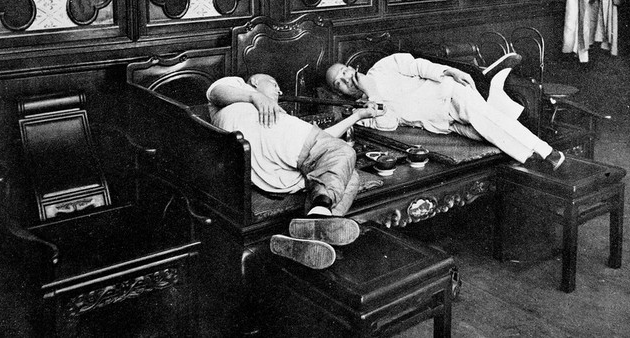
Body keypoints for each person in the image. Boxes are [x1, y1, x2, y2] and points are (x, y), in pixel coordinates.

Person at [206, 73, 384, 269]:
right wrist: (255, 96)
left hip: (272, 172)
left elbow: (323, 140)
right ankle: (319, 213)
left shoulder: (279, 115)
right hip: (267, 159)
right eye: (274, 83)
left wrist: (357, 116)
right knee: (344, 151)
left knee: (349, 176)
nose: (279, 90)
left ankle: (311, 237)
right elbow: (216, 92)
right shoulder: (239, 87)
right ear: (255, 81)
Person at [325, 52, 566, 171]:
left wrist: (450, 71)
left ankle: (547, 153)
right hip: (443, 124)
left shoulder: (382, 68)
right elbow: (389, 124)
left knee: (488, 120)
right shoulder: (364, 110)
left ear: (352, 67)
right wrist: (372, 101)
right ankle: (529, 152)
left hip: (449, 95)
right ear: (341, 93)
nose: (346, 79)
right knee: (489, 131)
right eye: (339, 82)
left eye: (345, 71)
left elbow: (418, 65)